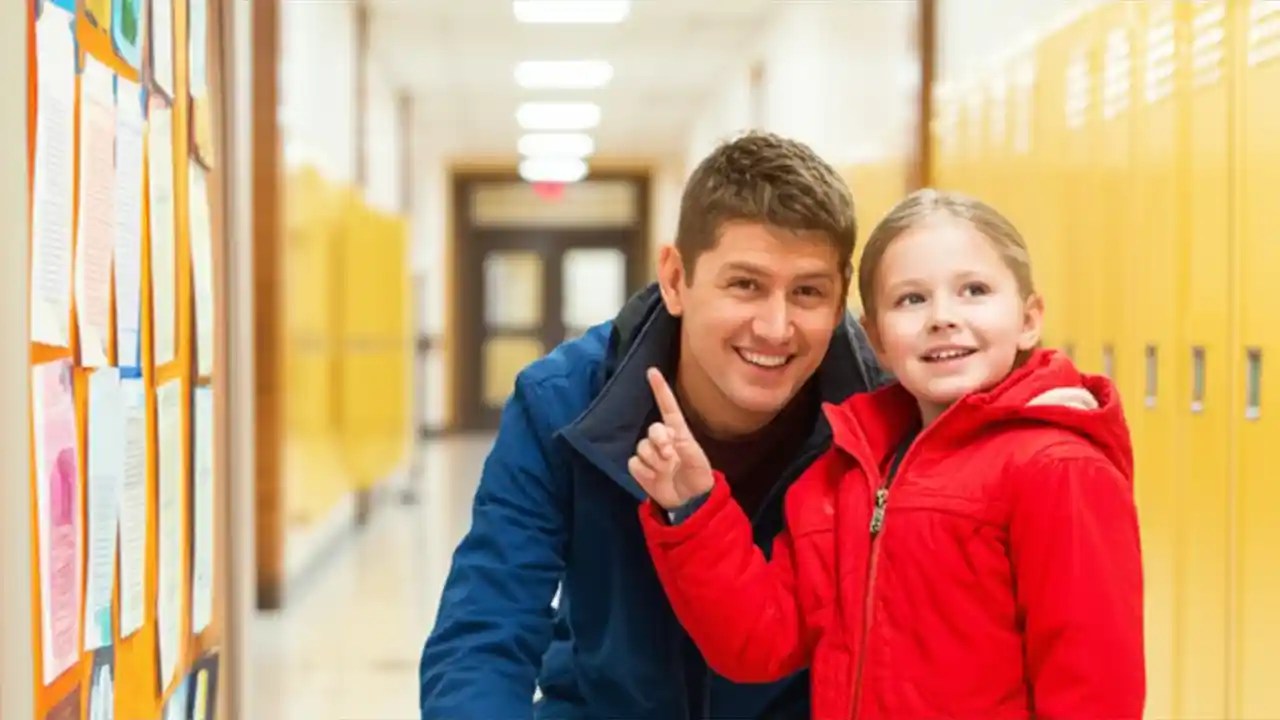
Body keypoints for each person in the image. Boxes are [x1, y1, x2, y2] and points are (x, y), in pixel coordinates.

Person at [418, 132, 888, 720]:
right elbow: (488, 627)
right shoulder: (563, 404)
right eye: (745, 284)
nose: (776, 326)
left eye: (809, 292)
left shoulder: (885, 420)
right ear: (675, 279)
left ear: (842, 290)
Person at [630, 189, 1147, 720]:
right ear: (875, 339)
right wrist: (693, 508)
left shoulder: (1058, 469)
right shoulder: (845, 473)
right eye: (911, 299)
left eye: (974, 290)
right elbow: (760, 640)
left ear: (1028, 318)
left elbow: (1094, 690)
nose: (942, 317)